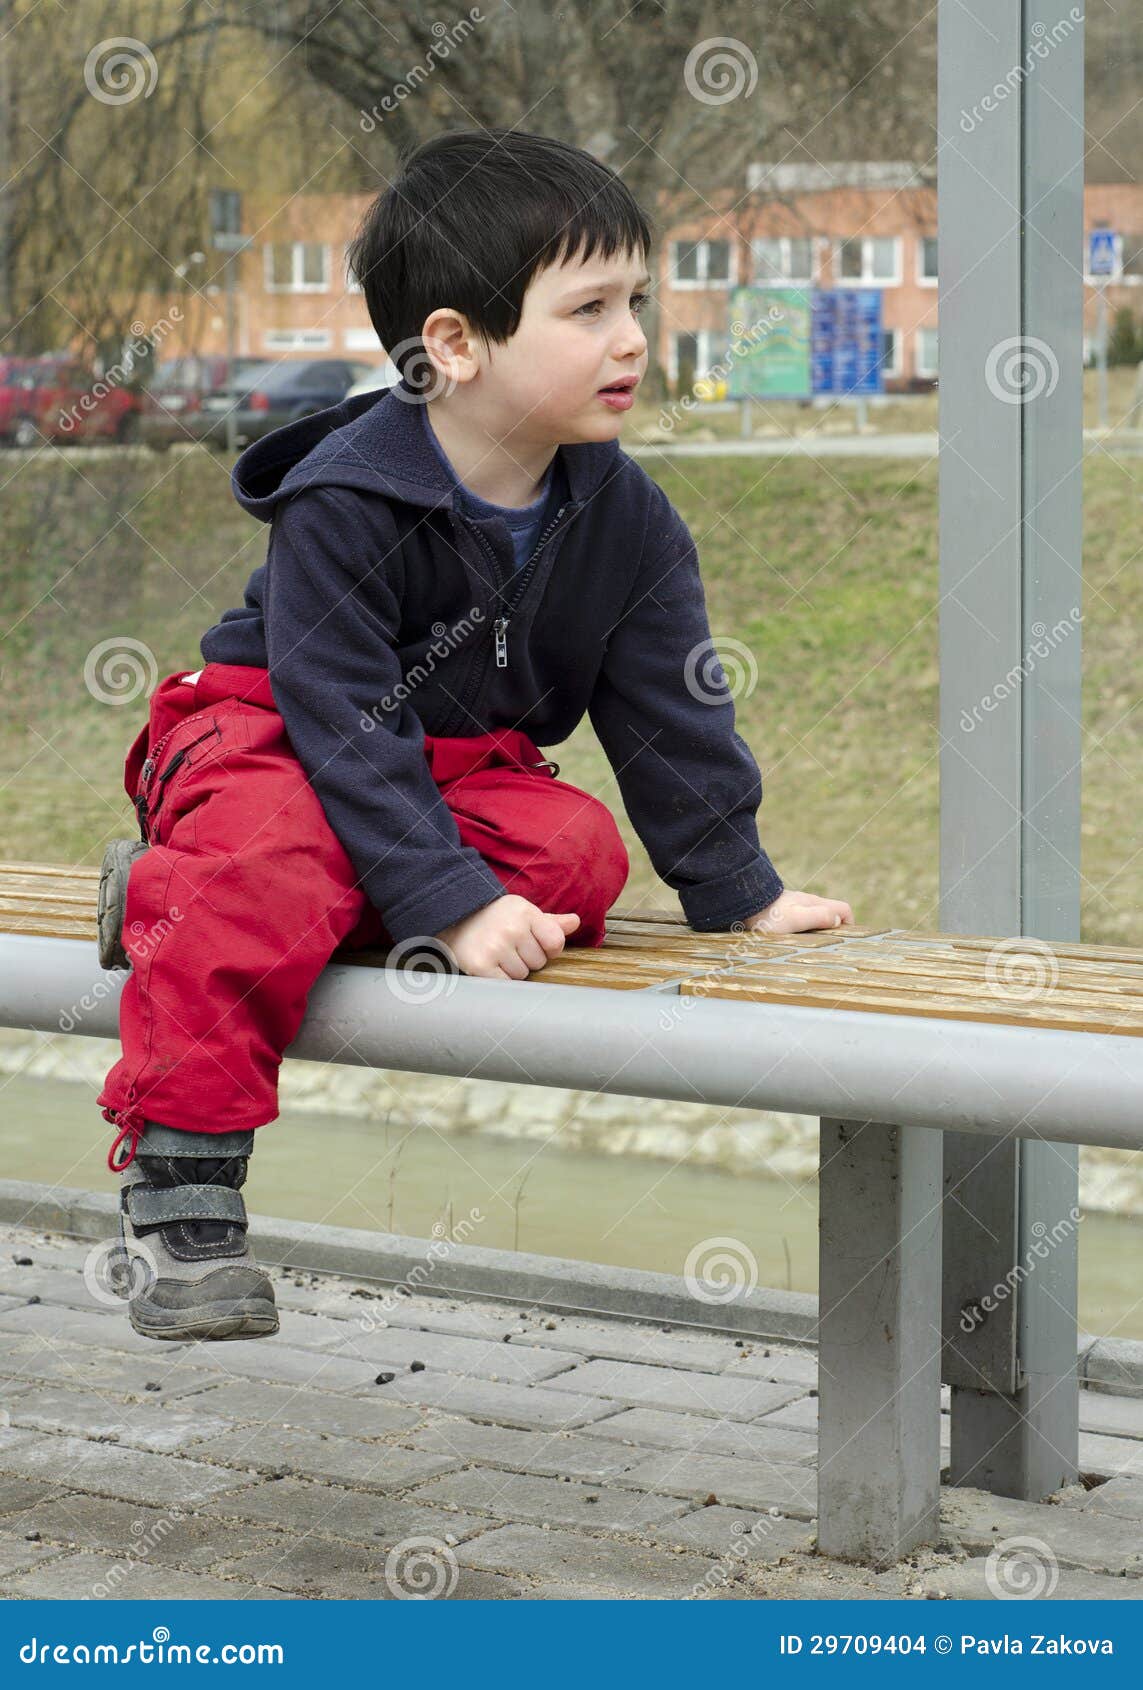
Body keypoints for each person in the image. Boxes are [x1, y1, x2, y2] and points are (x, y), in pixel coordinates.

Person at [95, 127, 853, 1343]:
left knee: (574, 857)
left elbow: (670, 710)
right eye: (588, 308)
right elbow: (338, 719)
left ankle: (173, 896)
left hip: (444, 772)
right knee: (267, 862)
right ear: (452, 344)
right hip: (271, 736)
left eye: (637, 303)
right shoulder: (350, 497)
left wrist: (739, 889)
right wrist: (447, 901)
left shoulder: (624, 516)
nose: (631, 340)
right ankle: (184, 1194)